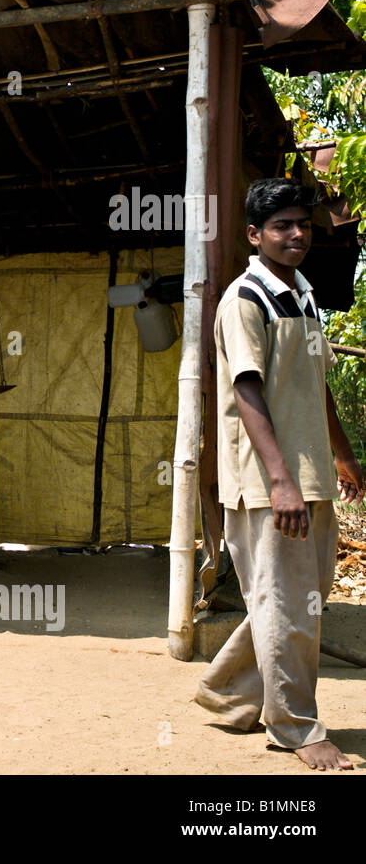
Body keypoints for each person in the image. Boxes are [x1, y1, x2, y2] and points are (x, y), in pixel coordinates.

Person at [194, 178, 362, 771]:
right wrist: (281, 481)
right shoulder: (246, 299)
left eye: (303, 226)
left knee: (296, 602)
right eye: (282, 226)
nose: (296, 235)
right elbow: (246, 392)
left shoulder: (305, 296)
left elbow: (316, 389)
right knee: (287, 604)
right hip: (270, 481)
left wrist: (342, 454)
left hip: (309, 473)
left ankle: (228, 692)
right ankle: (295, 726)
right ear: (253, 235)